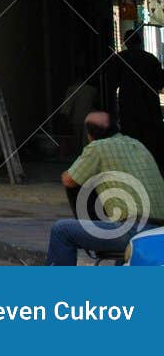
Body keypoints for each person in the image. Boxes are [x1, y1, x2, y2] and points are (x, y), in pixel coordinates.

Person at [46, 110, 164, 264]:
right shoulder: (138, 145)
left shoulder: (97, 147)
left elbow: (69, 180)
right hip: (158, 231)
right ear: (117, 127)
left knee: (61, 230)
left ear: (89, 135)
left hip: (132, 229)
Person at [104, 29, 164, 171]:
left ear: (125, 42)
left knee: (131, 138)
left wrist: (111, 110)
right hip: (150, 106)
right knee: (151, 139)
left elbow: (111, 84)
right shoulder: (151, 59)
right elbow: (160, 83)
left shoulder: (119, 59)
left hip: (128, 106)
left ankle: (134, 166)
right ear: (140, 42)